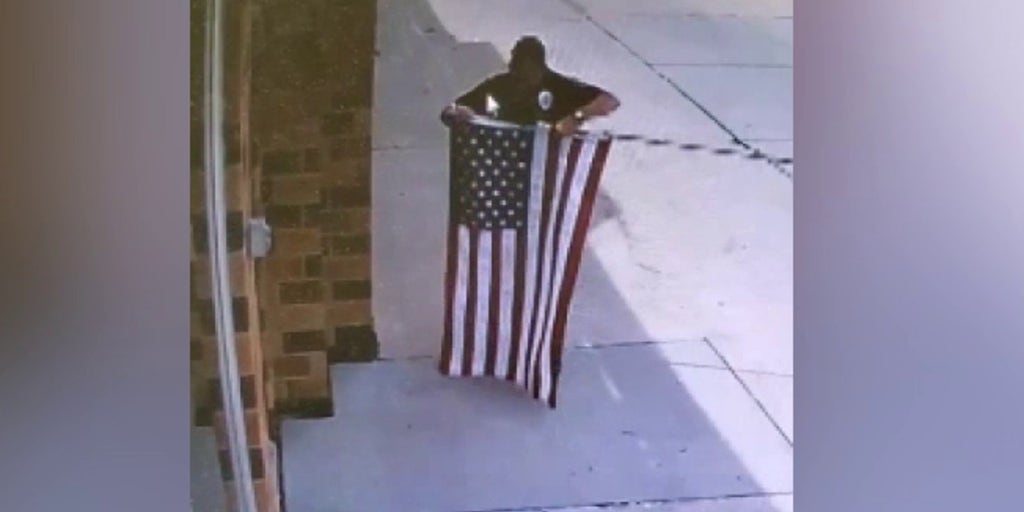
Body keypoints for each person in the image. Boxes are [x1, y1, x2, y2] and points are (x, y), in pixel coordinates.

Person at [440, 36, 620, 136]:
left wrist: (577, 117)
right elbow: (450, 110)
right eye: (514, 67)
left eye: (523, 69)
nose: (516, 74)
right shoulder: (500, 86)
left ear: (538, 67)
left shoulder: (559, 87)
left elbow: (609, 101)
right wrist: (460, 114)